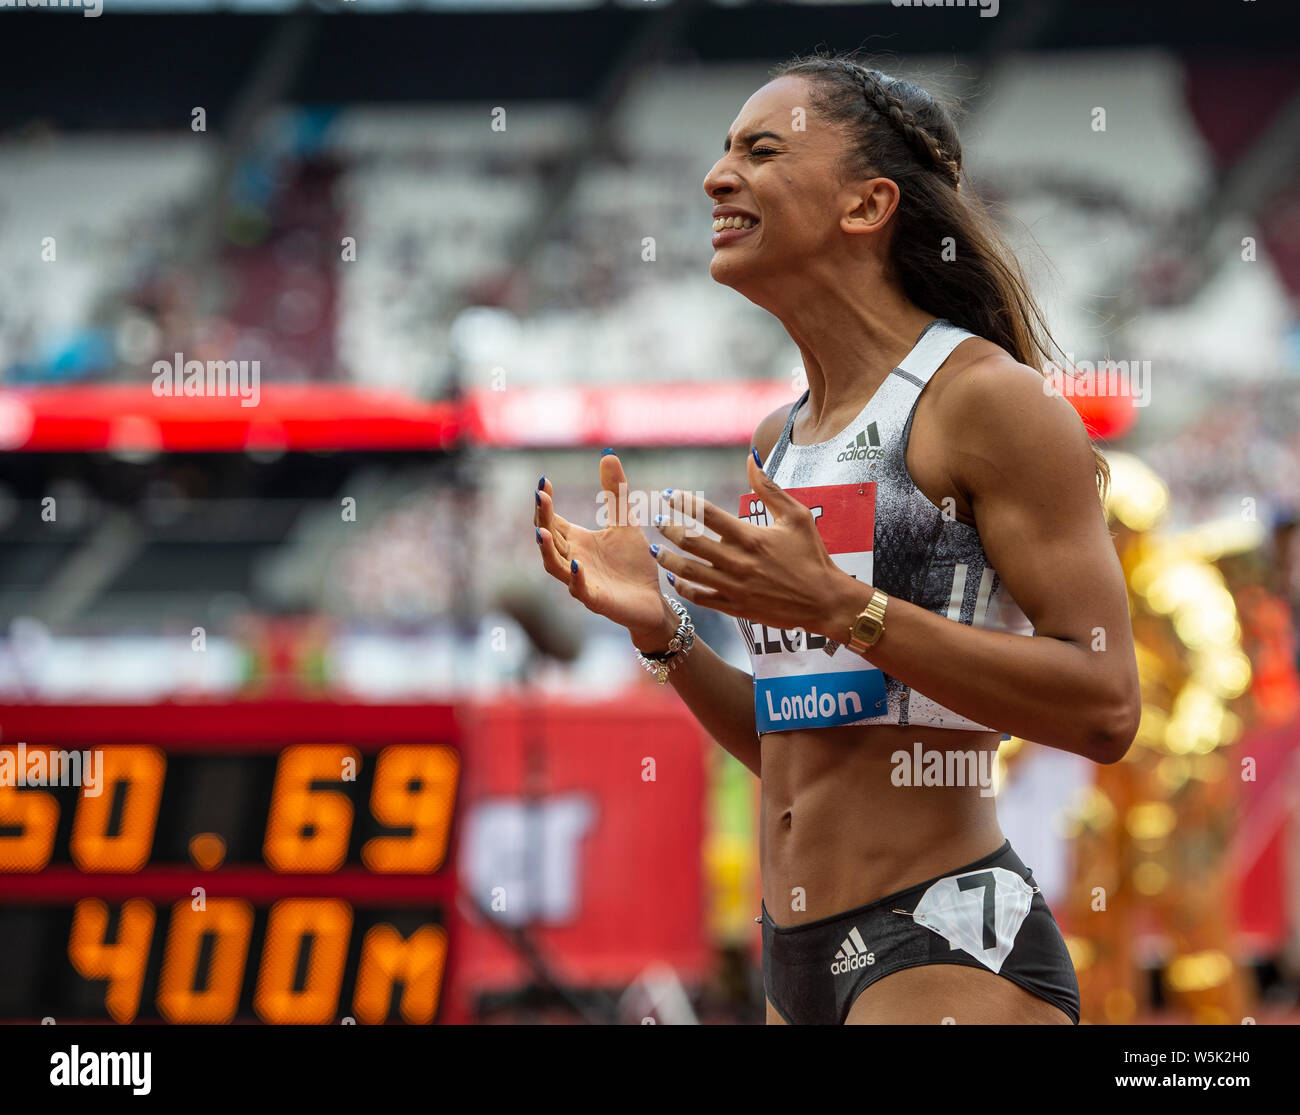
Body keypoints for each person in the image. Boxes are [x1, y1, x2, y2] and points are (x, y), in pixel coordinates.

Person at [533, 55, 1140, 1025]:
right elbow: (800, 750)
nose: (714, 176)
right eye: (723, 149)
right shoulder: (784, 438)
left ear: (867, 204)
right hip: (797, 957)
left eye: (758, 150)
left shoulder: (985, 402)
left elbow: (1105, 707)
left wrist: (843, 608)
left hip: (944, 940)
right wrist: (665, 633)